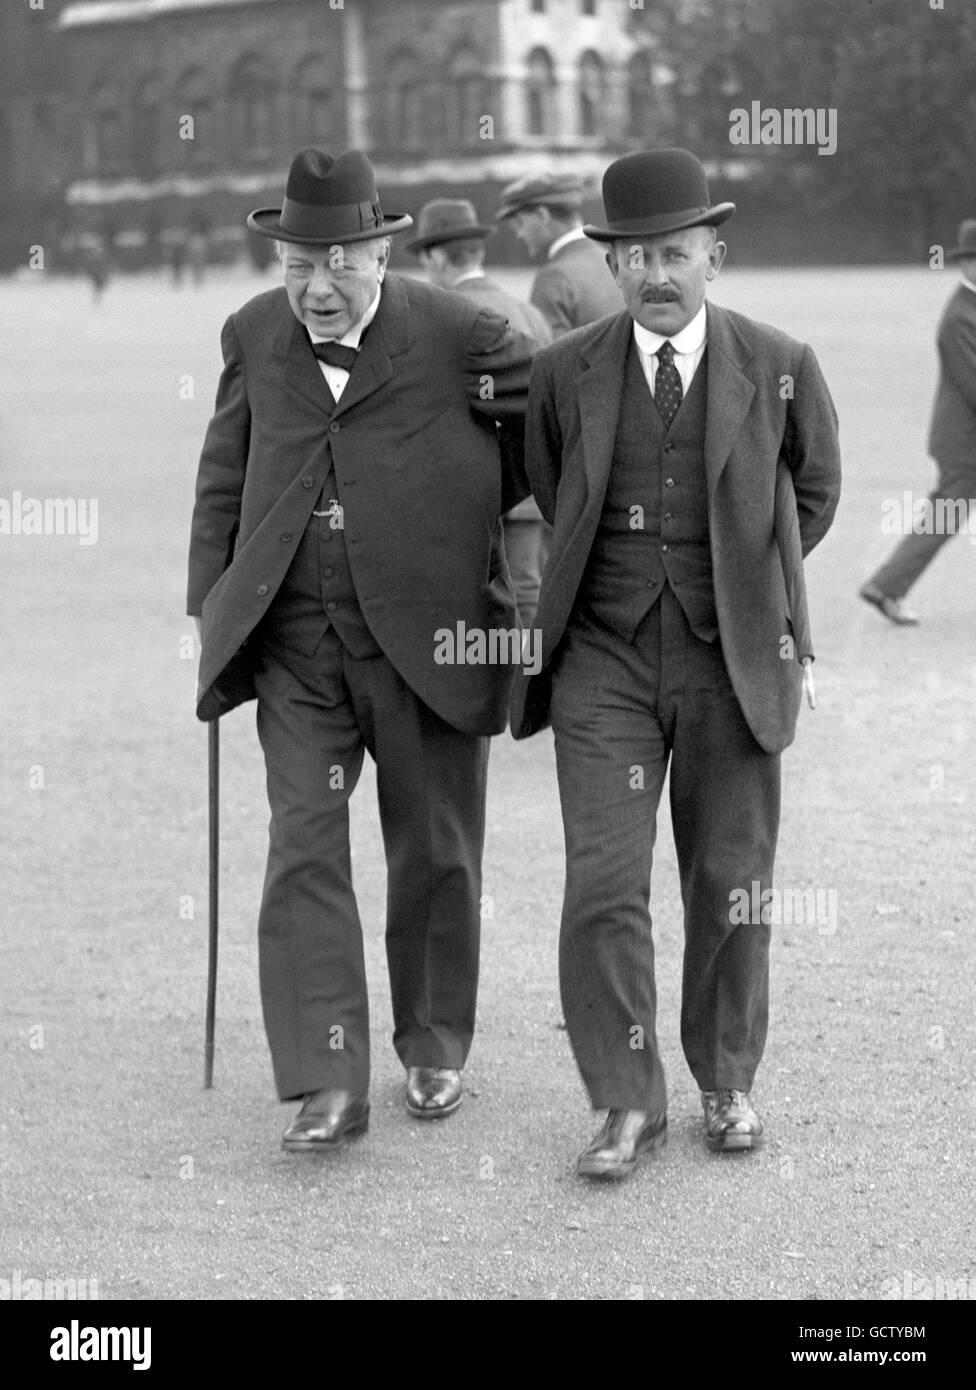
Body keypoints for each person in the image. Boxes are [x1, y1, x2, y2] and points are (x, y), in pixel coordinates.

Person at [187, 148, 533, 1154]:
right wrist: (208, 609)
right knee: (302, 845)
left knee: (432, 851)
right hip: (297, 642)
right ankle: (325, 1079)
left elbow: (531, 440)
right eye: (298, 261)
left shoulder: (461, 330)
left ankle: (431, 1043)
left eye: (339, 260)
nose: (317, 286)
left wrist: (475, 543)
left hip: (428, 636)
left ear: (382, 252)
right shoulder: (253, 334)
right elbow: (223, 477)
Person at [510, 149, 842, 1180]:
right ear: (608, 265)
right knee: (601, 884)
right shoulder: (564, 370)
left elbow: (815, 492)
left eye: (675, 253)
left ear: (714, 255)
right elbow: (551, 480)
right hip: (600, 659)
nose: (655, 275)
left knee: (731, 882)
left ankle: (725, 1078)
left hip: (727, 658)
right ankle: (625, 1101)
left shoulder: (779, 361)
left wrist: (747, 588)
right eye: (634, 257)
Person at [407, 197, 552, 628]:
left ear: (435, 256)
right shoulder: (528, 312)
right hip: (528, 491)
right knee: (528, 595)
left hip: (464, 497)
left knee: (466, 613)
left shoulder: (435, 320)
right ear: (478, 252)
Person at [859, 219, 976, 624]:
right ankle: (886, 586)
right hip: (964, 444)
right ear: (966, 265)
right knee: (944, 516)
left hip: (965, 441)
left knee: (944, 516)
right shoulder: (960, 316)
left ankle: (886, 586)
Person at [495, 172, 621, 338]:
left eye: (520, 223)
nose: (520, 234)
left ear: (542, 215)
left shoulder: (553, 277)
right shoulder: (614, 260)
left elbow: (550, 359)